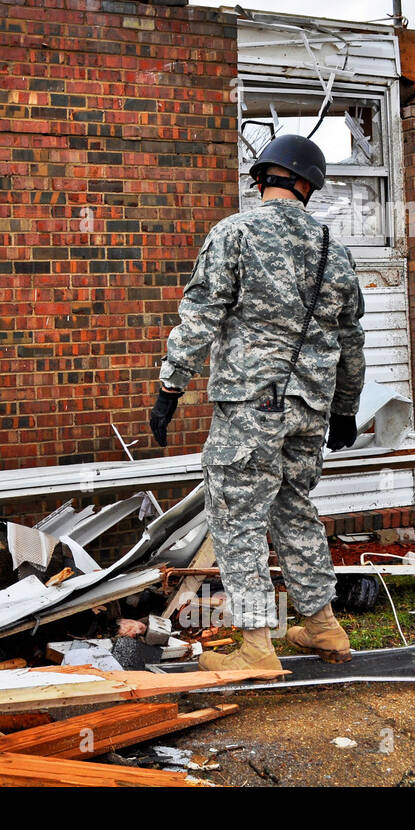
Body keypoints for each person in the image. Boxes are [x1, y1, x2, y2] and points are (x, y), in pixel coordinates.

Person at [148, 134, 366, 672]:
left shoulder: (233, 233)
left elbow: (200, 317)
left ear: (263, 178)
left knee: (238, 516)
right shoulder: (330, 248)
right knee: (296, 509)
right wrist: (344, 407)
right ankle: (323, 627)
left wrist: (169, 388)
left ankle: (255, 645)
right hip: (310, 408)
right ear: (308, 184)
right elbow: (351, 340)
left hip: (251, 405)